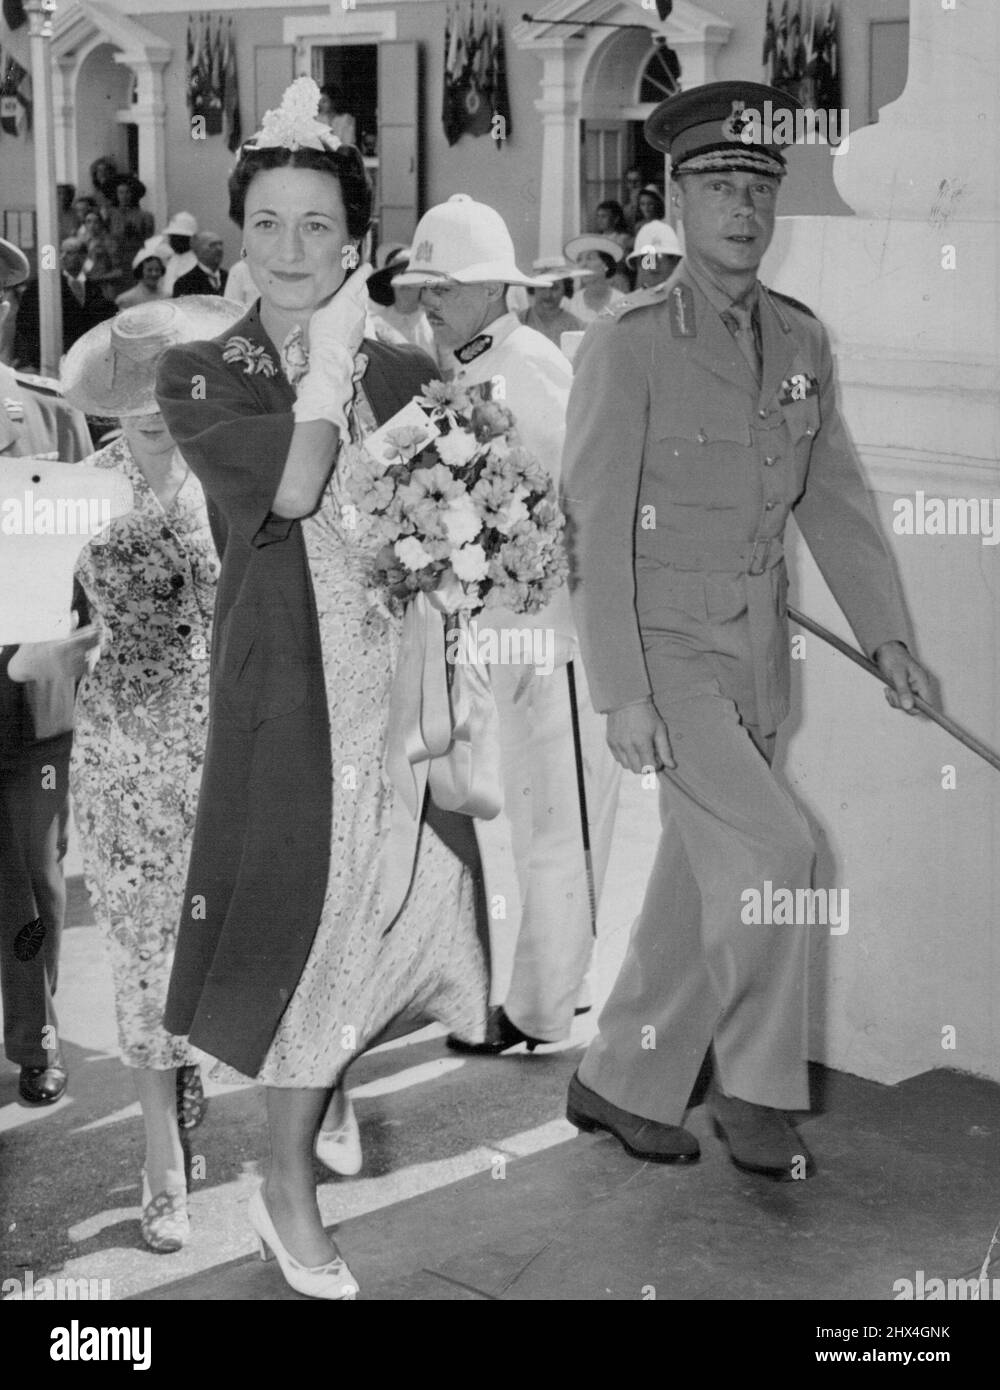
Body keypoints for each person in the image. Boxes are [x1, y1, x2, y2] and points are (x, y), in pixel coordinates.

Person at [154, 77, 489, 1300]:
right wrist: (331, 361)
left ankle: (323, 1070)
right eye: (267, 226)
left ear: (355, 243)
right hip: (287, 706)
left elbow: (458, 510)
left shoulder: (398, 370)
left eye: (316, 228)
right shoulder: (201, 372)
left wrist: (470, 511)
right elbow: (294, 491)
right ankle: (282, 1184)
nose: (291, 251)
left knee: (405, 917)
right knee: (308, 929)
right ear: (238, 238)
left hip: (396, 701)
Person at [561, 81, 933, 1179]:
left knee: (699, 873)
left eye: (758, 188)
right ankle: (756, 1094)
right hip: (665, 649)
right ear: (675, 199)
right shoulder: (627, 344)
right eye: (719, 185)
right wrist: (621, 687)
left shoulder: (801, 338)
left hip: (758, 653)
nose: (741, 208)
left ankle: (617, 1079)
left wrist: (890, 640)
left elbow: (838, 497)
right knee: (779, 852)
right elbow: (587, 524)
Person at [395, 195, 621, 1057]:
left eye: (442, 288)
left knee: (560, 821)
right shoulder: (463, 365)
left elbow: (585, 495)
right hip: (510, 629)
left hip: (558, 631)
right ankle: (560, 982)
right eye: (423, 288)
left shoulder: (529, 367)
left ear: (492, 289)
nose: (428, 302)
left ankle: (538, 1009)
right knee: (536, 817)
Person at [60, 294, 243, 1251]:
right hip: (122, 751)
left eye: (160, 392)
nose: (148, 413)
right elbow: (33, 635)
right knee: (138, 950)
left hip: (217, 744)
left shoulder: (230, 475)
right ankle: (161, 1161)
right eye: (128, 399)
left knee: (203, 939)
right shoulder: (75, 491)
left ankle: (187, 1068)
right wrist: (66, 647)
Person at [0, 237, 93, 1109]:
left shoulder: (51, 416)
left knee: (37, 878)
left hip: (31, 693)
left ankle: (36, 1041)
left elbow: (92, 556)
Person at [13, 238, 116, 368]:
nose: (63, 257)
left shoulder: (94, 288)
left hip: (86, 363)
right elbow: (25, 323)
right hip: (52, 362)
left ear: (83, 256)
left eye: (70, 253)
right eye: (61, 252)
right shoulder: (43, 286)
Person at [365, 243, 437, 359]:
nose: (404, 282)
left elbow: (447, 371)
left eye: (410, 276)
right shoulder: (376, 323)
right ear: (391, 282)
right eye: (399, 275)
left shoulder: (435, 322)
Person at [517, 257, 584, 350]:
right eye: (542, 287)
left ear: (565, 289)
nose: (548, 295)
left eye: (555, 288)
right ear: (533, 288)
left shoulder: (576, 326)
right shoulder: (519, 321)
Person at [564, 234, 627, 323]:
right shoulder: (574, 303)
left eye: (590, 258)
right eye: (579, 260)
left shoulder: (621, 301)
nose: (583, 264)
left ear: (605, 264)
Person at [106, 174, 155, 282]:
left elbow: (149, 241)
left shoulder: (145, 216)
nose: (124, 196)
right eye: (121, 192)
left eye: (128, 192)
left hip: (135, 259)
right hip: (115, 261)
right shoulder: (111, 215)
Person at [625, 219, 683, 289]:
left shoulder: (688, 298)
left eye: (659, 256)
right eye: (648, 257)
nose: (654, 265)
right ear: (638, 263)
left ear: (675, 261)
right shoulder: (628, 300)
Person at [172, 232, 227, 297]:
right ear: (197, 250)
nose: (219, 249)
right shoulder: (185, 283)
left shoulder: (229, 277)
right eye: (212, 245)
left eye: (220, 244)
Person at [158, 213, 199, 297]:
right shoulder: (170, 259)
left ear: (188, 239)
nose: (172, 241)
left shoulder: (196, 262)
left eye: (177, 237)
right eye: (171, 237)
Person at [621, 166, 644, 233]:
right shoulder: (625, 208)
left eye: (636, 181)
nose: (633, 184)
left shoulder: (649, 204)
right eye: (629, 181)